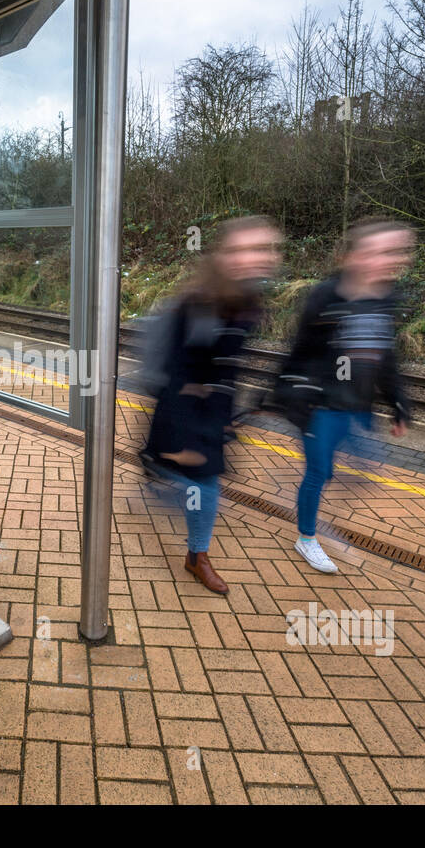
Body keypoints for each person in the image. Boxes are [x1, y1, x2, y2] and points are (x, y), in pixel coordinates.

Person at [141, 216, 284, 595]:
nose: (254, 258)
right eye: (242, 249)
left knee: (204, 486)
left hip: (212, 414)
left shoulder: (247, 301)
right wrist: (179, 440)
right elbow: (177, 372)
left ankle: (195, 554)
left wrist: (225, 418)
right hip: (182, 413)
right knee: (195, 484)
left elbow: (227, 367)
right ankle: (164, 484)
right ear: (222, 255)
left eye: (263, 249)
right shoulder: (201, 304)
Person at [278, 217, 415, 574]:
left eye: (397, 252)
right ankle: (306, 538)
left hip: (358, 407)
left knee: (364, 465)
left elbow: (385, 356)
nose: (392, 260)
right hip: (320, 407)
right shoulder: (326, 296)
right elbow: (298, 351)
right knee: (319, 473)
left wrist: (398, 402)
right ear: (355, 256)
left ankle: (312, 500)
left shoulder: (386, 299)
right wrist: (289, 397)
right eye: (382, 252)